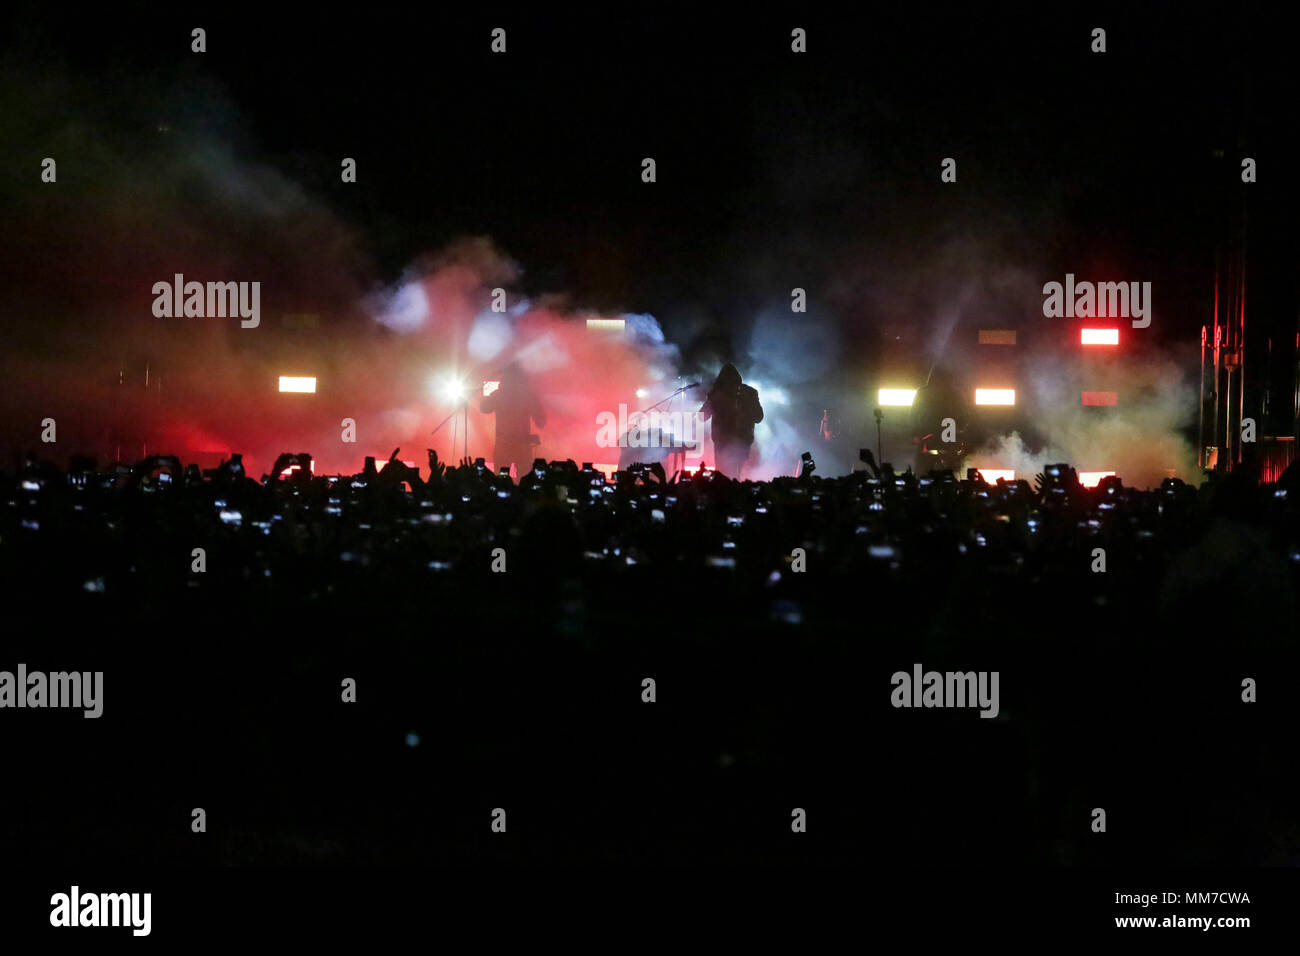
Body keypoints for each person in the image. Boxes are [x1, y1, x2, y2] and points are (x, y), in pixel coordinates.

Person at [480, 361, 547, 477]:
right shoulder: (527, 395)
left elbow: (484, 408)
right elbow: (541, 422)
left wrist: (490, 380)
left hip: (504, 444)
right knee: (523, 480)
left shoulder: (500, 394)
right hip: (521, 445)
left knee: (501, 479)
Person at [699, 363, 763, 478]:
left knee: (723, 478)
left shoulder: (718, 394)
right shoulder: (749, 393)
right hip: (739, 442)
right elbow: (759, 417)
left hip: (728, 443)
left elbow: (702, 417)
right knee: (738, 477)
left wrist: (711, 399)